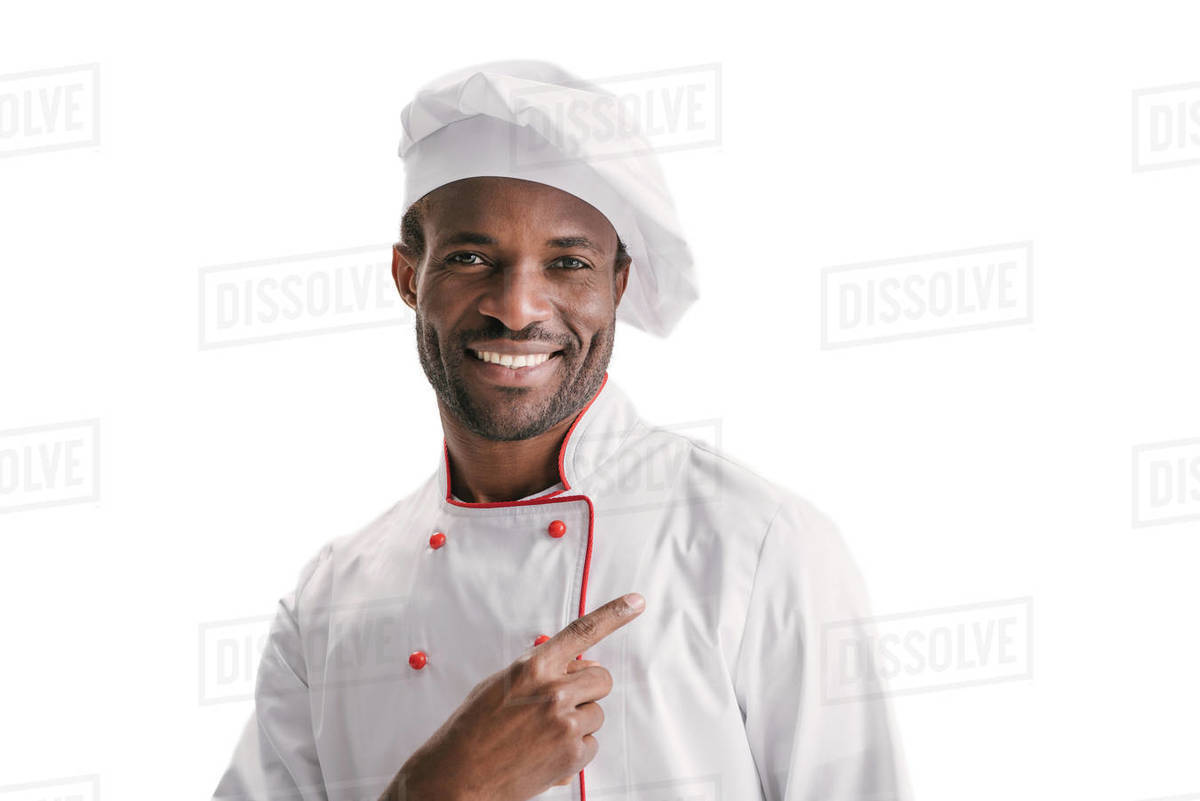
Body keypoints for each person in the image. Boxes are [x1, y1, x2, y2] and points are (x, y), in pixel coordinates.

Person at [212, 60, 911, 801]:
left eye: (568, 261)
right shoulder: (331, 602)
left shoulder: (758, 546)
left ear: (617, 284)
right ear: (408, 275)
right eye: (471, 257)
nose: (516, 308)